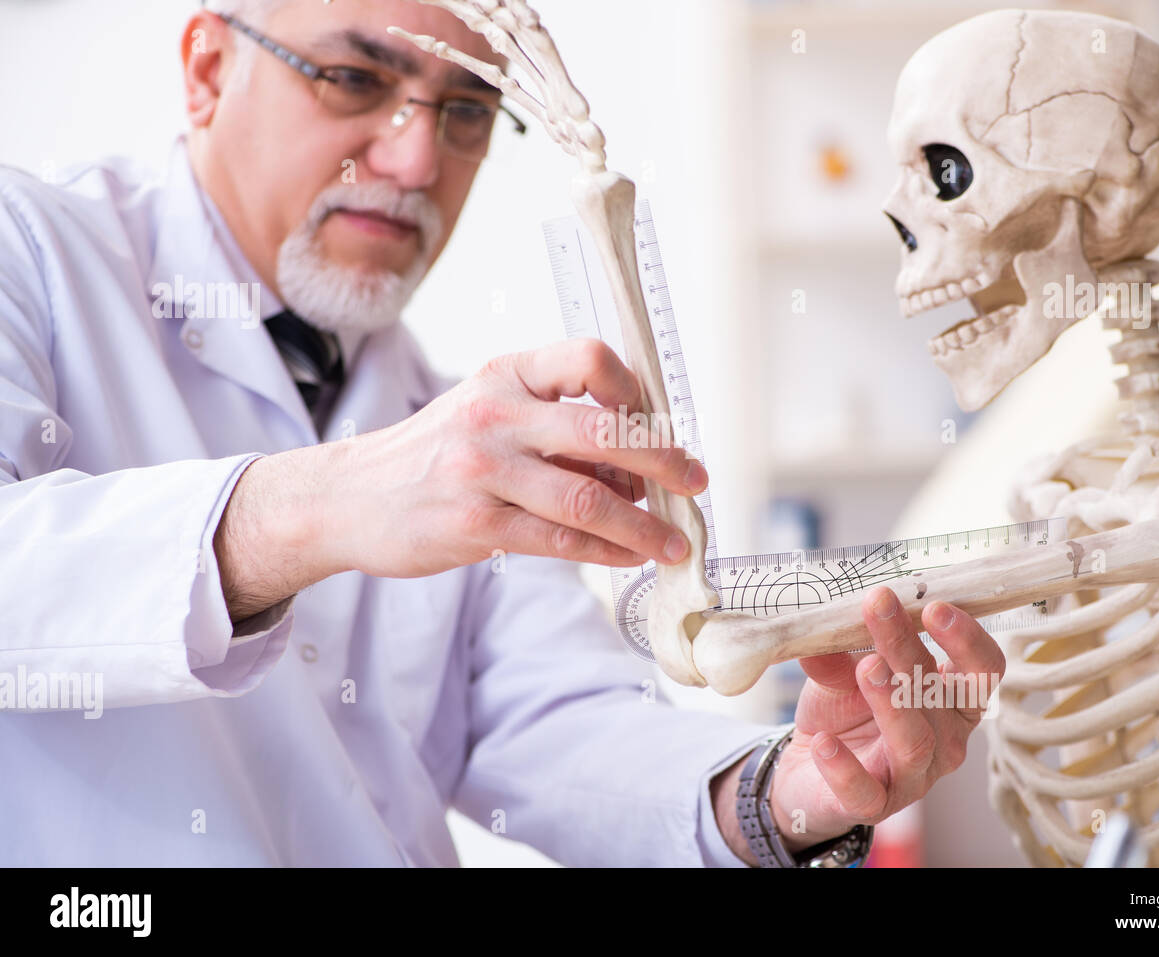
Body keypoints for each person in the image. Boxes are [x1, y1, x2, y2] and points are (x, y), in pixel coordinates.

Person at [0, 0, 1005, 866]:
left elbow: (551, 722)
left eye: (469, 109)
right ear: (209, 69)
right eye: (354, 78)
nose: (414, 158)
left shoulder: (438, 422)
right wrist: (325, 507)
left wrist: (792, 790)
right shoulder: (29, 252)